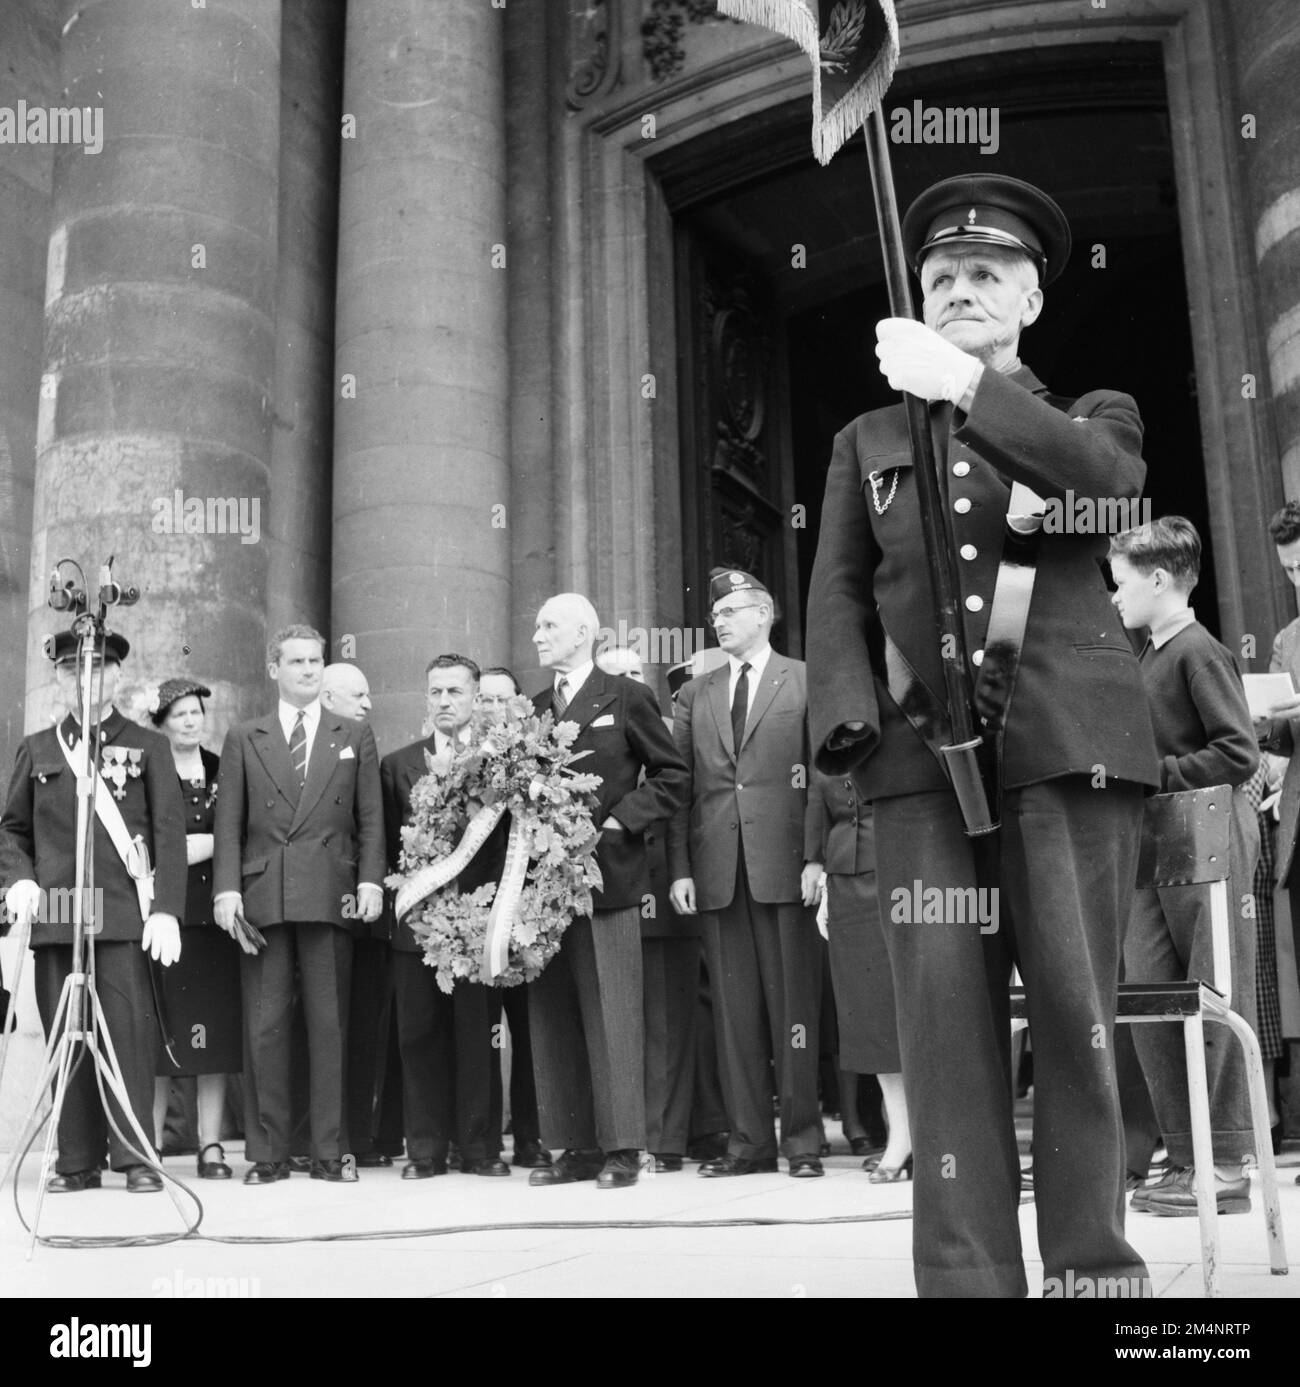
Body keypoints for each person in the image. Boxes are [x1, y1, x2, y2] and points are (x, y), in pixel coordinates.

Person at [806, 173, 1160, 1296]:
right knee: (946, 1036)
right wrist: (850, 729)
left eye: (986, 276)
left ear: (1030, 302)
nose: (961, 288)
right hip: (920, 771)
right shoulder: (865, 439)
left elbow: (1109, 490)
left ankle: (1093, 1266)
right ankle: (965, 1279)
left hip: (1065, 751)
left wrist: (965, 384)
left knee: (1072, 1012)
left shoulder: (1089, 416)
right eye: (942, 278)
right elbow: (835, 594)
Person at [0, 629, 187, 1193]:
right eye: (74, 669)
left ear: (116, 677)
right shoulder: (38, 747)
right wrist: (19, 880)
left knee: (126, 1036)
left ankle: (135, 1158)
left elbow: (169, 834)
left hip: (124, 912)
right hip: (59, 911)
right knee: (67, 1038)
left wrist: (167, 910)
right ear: (60, 677)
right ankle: (76, 1160)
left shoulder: (148, 746)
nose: (88, 678)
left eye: (100, 668)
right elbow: (12, 829)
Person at [1109, 518, 1260, 1215]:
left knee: (1211, 994)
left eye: (1123, 581)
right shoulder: (1150, 655)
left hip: (1205, 840)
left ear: (1159, 579)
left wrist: (1151, 771)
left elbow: (1238, 752)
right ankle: (1184, 1152)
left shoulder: (1197, 651)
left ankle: (1224, 1160)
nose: (1116, 597)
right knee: (1150, 999)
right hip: (1157, 844)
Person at [528, 593, 689, 1189]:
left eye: (549, 626)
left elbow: (672, 775)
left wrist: (623, 819)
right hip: (543, 890)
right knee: (555, 1014)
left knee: (612, 1012)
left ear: (584, 633)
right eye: (539, 626)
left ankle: (624, 1146)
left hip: (607, 880)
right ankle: (572, 1146)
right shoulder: (534, 708)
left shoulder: (627, 696)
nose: (538, 635)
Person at [213, 624, 384, 1184]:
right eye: (297, 662)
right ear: (274, 669)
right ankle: (268, 1154)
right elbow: (230, 823)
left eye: (316, 661)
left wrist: (371, 882)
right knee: (266, 1028)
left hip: (331, 892)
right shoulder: (246, 735)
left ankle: (330, 1152)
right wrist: (226, 889)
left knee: (328, 1025)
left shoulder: (353, 734)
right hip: (263, 894)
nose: (309, 670)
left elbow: (370, 820)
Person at [668, 570, 824, 1178]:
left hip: (788, 869)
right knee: (735, 1016)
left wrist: (817, 857)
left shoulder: (806, 680)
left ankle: (804, 1143)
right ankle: (749, 1143)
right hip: (717, 872)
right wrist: (680, 869)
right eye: (717, 613)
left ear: (765, 614)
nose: (720, 621)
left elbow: (824, 775)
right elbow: (679, 786)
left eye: (733, 611)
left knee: (795, 1011)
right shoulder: (694, 694)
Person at [381, 654, 510, 1178]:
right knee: (419, 1036)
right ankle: (427, 1150)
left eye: (455, 692)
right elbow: (387, 846)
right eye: (435, 692)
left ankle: (479, 1150)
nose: (444, 702)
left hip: (480, 922)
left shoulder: (499, 763)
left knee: (477, 1035)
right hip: (419, 925)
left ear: (477, 698)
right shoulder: (398, 764)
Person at [596, 645, 698, 1172]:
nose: (631, 682)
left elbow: (684, 801)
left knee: (666, 1025)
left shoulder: (674, 731)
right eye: (619, 676)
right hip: (612, 889)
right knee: (620, 1022)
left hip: (664, 887)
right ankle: (622, 1135)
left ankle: (664, 1142)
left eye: (637, 672)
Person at [150, 678, 242, 1180]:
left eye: (196, 713)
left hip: (212, 919)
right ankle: (151, 1143)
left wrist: (199, 847)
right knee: (161, 1036)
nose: (190, 721)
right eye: (180, 713)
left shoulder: (220, 769)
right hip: (163, 918)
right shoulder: (148, 767)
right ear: (161, 721)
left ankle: (211, 1146)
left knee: (215, 1037)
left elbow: (239, 832)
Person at [810, 768, 910, 1179]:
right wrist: (825, 886)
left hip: (903, 874)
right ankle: (901, 1137)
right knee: (869, 1018)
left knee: (905, 1009)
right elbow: (819, 807)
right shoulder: (825, 734)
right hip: (846, 880)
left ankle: (923, 1138)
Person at [320, 660, 400, 1168]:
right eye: (358, 696)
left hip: (365, 918)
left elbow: (375, 829)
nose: (369, 704)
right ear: (328, 698)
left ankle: (364, 1136)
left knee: (365, 1026)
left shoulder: (370, 756)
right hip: (316, 910)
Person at [475, 665, 549, 1168]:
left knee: (530, 1034)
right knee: (479, 1037)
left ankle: (531, 1137)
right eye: (485, 699)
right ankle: (480, 1142)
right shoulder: (459, 763)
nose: (494, 708)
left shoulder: (541, 762)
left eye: (504, 700)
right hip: (473, 924)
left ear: (521, 705)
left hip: (530, 920)